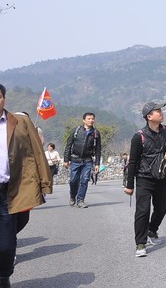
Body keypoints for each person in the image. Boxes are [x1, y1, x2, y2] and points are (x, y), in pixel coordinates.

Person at [0, 84, 53, 287]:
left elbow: (37, 152)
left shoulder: (20, 122)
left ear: (4, 98)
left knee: (6, 245)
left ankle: (3, 275)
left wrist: (44, 183)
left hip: (10, 190)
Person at [124, 102, 166, 258]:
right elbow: (132, 162)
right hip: (144, 178)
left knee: (162, 208)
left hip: (161, 177)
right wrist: (129, 185)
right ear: (149, 117)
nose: (161, 113)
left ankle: (152, 230)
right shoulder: (138, 136)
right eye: (158, 111)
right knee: (143, 211)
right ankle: (140, 243)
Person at [63, 112, 101, 208]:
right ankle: (72, 196)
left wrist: (97, 164)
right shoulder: (76, 130)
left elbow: (98, 149)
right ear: (84, 120)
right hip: (75, 159)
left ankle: (80, 200)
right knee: (73, 180)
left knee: (84, 180)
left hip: (87, 160)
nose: (91, 120)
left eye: (92, 118)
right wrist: (66, 160)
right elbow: (68, 145)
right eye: (88, 118)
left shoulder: (96, 133)